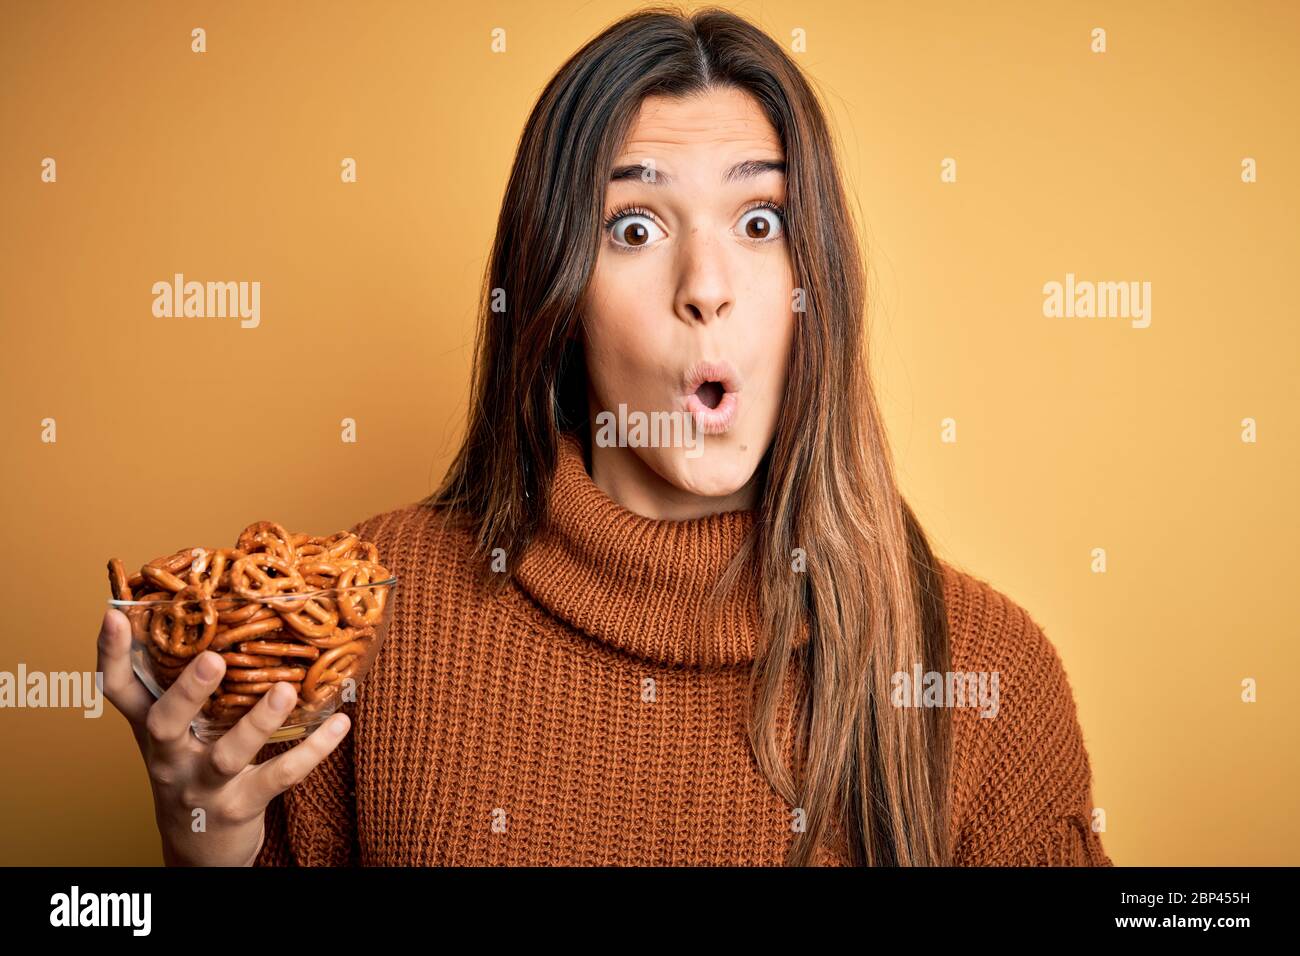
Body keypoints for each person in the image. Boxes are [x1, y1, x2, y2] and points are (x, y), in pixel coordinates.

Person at [96, 6, 1111, 867]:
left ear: (814, 289)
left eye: (759, 220)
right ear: (558, 292)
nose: (705, 286)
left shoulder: (985, 680)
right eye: (635, 226)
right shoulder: (374, 615)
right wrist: (205, 849)